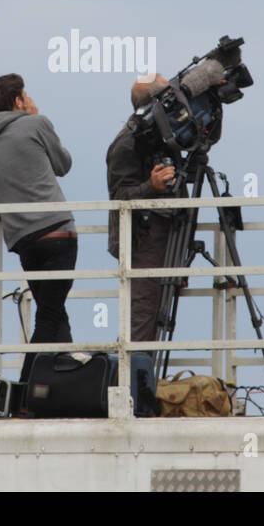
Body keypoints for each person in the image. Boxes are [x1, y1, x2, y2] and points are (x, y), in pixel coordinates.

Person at [0, 74, 76, 381]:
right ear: (18, 102)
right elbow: (64, 165)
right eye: (25, 96)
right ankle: (25, 392)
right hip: (58, 232)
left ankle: (64, 385)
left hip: (24, 241)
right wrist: (36, 117)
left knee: (53, 313)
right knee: (49, 316)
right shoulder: (36, 124)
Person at [106, 74, 179, 344]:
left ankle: (145, 381)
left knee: (157, 309)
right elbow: (119, 198)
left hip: (163, 231)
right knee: (143, 314)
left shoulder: (162, 135)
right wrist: (151, 186)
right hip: (141, 237)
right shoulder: (128, 142)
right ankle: (131, 381)